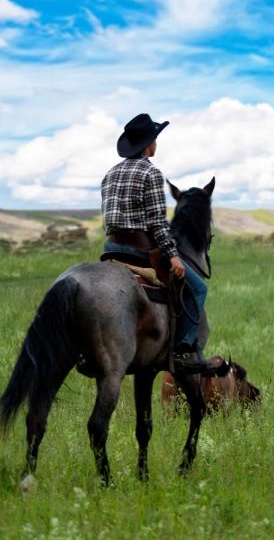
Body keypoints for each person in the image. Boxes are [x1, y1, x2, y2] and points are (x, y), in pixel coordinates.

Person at [102, 113, 210, 373]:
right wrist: (173, 257)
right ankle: (184, 349)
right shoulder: (151, 173)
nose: (156, 143)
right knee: (197, 289)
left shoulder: (110, 174)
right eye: (155, 139)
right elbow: (158, 224)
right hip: (140, 250)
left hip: (111, 249)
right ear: (149, 144)